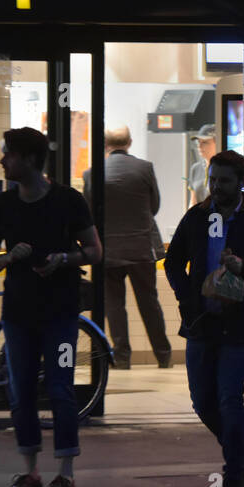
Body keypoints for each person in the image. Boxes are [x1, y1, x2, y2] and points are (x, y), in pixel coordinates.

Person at [0, 127, 103, 487]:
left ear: (30, 159)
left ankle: (65, 472)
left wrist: (64, 259)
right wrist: (9, 257)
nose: (2, 161)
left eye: (8, 154)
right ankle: (29, 470)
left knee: (60, 388)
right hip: (18, 313)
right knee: (21, 392)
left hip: (61, 313)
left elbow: (95, 250)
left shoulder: (68, 200)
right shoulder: (2, 205)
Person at [165, 150, 244, 487]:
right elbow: (173, 263)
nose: (216, 187)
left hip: (238, 325)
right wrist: (187, 297)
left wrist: (243, 267)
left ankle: (234, 471)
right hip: (201, 322)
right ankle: (237, 443)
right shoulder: (196, 218)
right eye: (212, 179)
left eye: (224, 181)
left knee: (229, 397)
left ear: (242, 184)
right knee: (202, 401)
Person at [83, 125, 173, 369]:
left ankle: (122, 357)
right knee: (149, 303)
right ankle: (163, 355)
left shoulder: (92, 174)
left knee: (114, 305)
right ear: (130, 142)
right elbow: (154, 206)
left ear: (105, 145)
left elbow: (88, 213)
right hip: (141, 248)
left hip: (109, 251)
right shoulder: (145, 168)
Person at [187, 124, 218, 206]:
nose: (199, 146)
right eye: (198, 142)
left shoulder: (225, 169)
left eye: (205, 142)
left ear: (217, 143)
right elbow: (193, 202)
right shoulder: (195, 168)